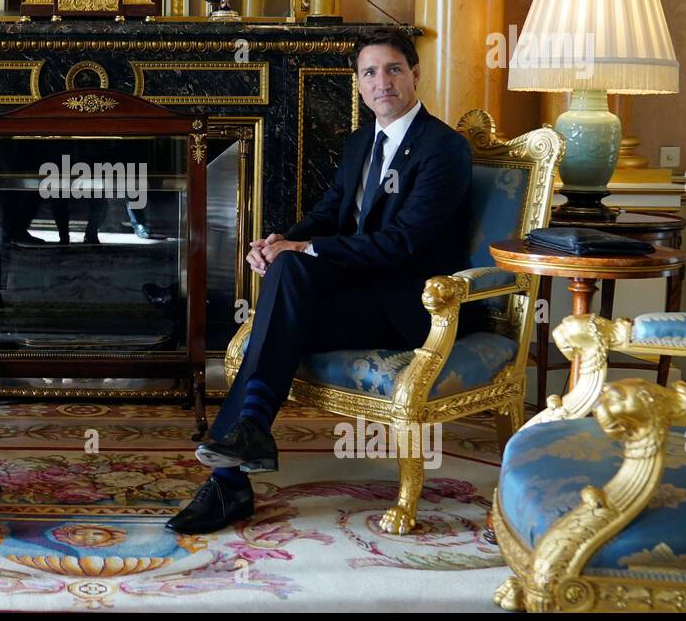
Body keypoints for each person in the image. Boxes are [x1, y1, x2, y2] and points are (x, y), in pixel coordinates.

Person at [167, 27, 473, 534]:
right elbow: (331, 213)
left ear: (415, 74)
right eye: (369, 73)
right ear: (357, 83)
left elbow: (403, 242)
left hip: (410, 305)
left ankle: (231, 478)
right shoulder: (359, 144)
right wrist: (280, 239)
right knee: (286, 275)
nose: (382, 82)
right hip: (356, 296)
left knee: (280, 311)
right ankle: (243, 447)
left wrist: (302, 249)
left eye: (393, 69)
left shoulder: (444, 149)